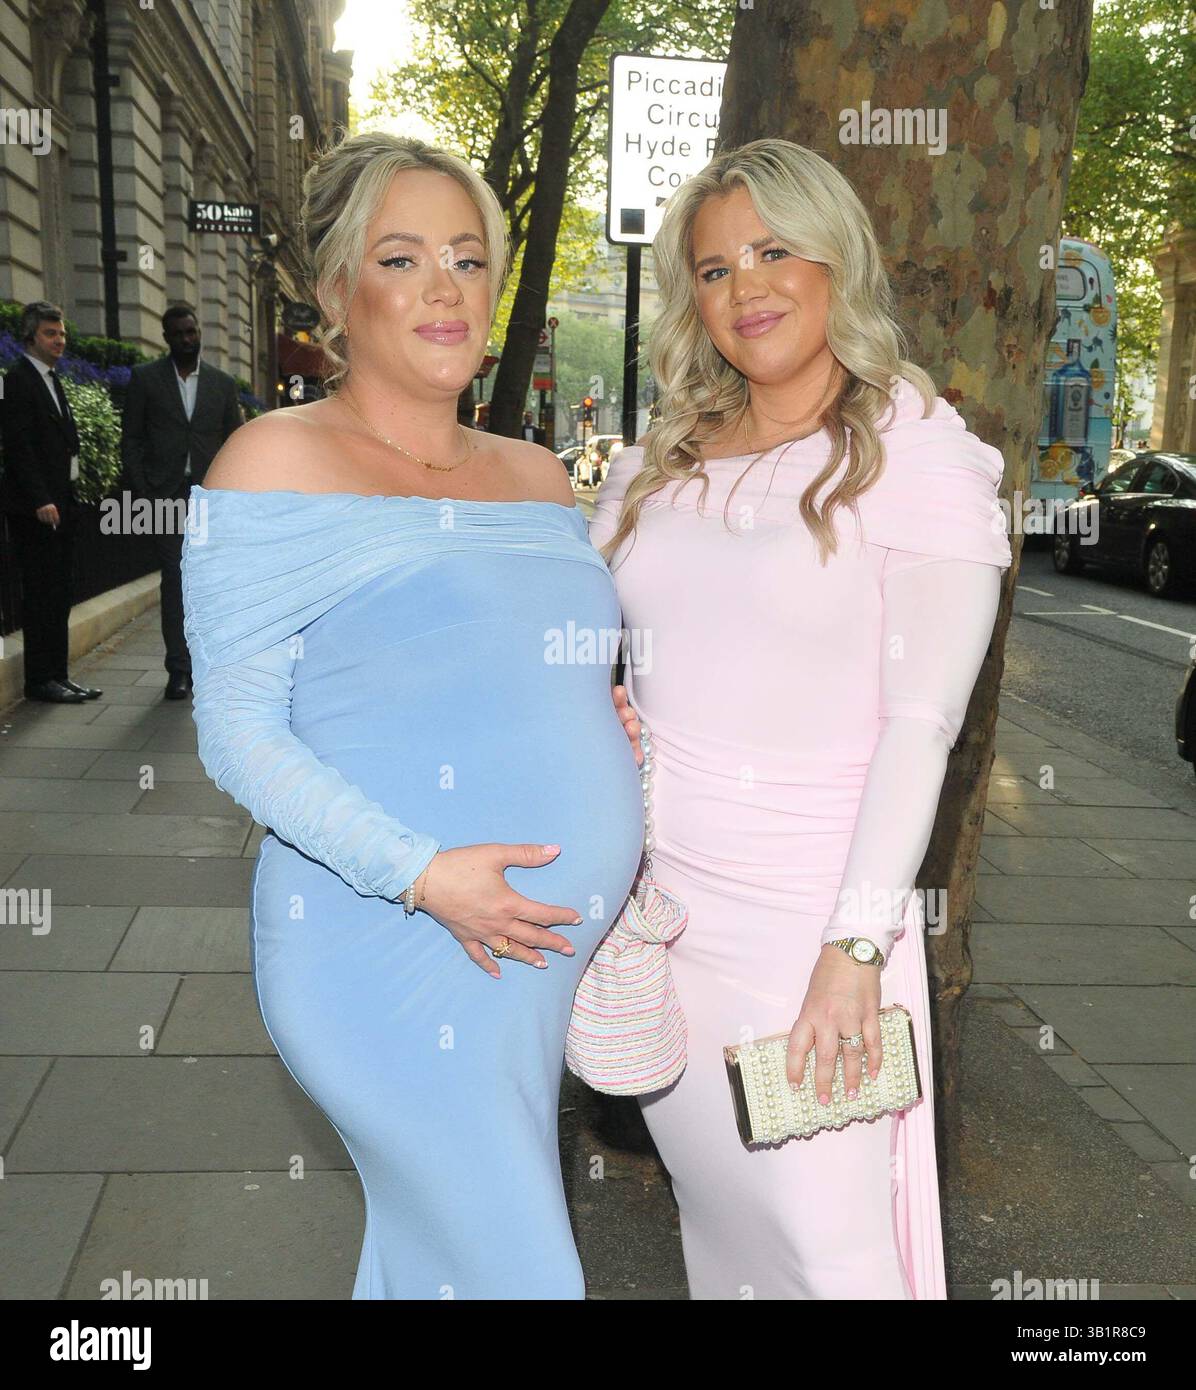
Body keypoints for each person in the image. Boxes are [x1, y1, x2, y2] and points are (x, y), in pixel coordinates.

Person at [181, 131, 645, 1299]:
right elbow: (236, 732)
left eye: (468, 257)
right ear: (337, 290)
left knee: (436, 1261)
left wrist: (603, 713)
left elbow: (538, 661)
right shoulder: (271, 460)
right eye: (400, 258)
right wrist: (423, 875)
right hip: (382, 940)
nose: (444, 287)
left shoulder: (540, 476)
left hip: (532, 959)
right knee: (521, 1270)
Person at [590, 138, 1012, 1300]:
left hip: (811, 926)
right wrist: (609, 711)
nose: (746, 287)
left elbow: (921, 729)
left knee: (831, 1256)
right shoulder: (657, 464)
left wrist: (854, 953)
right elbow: (608, 651)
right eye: (714, 268)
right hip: (661, 914)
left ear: (838, 261)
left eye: (774, 250)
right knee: (721, 1235)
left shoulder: (916, 455)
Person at [121, 304, 241, 700]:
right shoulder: (146, 379)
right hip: (164, 496)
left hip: (210, 497)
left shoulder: (222, 385)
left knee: (209, 582)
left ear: (198, 332)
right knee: (175, 580)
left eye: (191, 332)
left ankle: (210, 663)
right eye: (178, 334)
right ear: (166, 338)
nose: (187, 340)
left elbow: (236, 443)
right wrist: (143, 489)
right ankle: (179, 669)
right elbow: (132, 439)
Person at [0, 301, 101, 703]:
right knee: (41, 595)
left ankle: (59, 674)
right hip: (36, 510)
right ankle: (40, 679)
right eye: (50, 333)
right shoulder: (19, 379)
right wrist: (40, 498)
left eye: (61, 333)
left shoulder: (50, 378)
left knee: (59, 593)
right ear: (30, 337)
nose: (59, 340)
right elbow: (18, 446)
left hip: (62, 503)